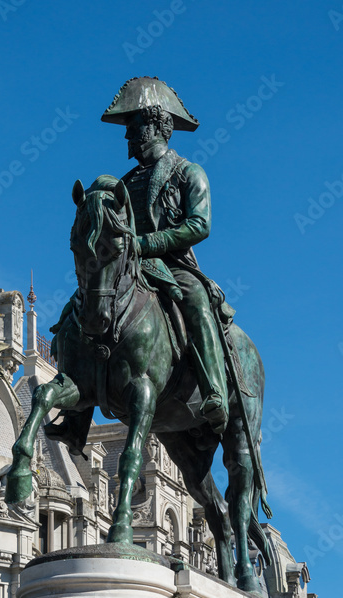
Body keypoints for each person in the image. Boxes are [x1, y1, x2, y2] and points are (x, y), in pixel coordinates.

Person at [102, 76, 231, 437]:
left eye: (134, 127)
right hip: (129, 266)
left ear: (157, 126)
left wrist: (150, 242)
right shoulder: (123, 184)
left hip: (173, 266)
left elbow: (199, 225)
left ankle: (214, 392)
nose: (127, 137)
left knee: (197, 304)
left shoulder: (189, 172)